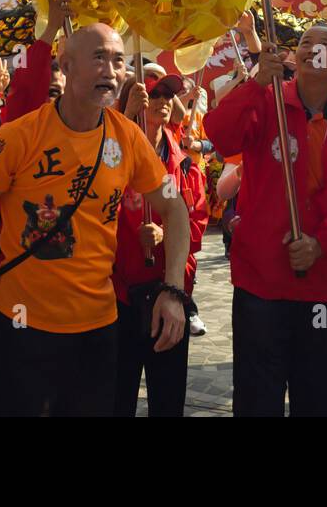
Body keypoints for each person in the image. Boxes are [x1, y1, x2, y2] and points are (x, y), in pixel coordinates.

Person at [0, 24, 190, 417]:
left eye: (118, 61)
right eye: (98, 58)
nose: (111, 71)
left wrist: (174, 289)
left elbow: (174, 207)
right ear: (66, 65)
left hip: (95, 330)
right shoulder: (19, 136)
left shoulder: (127, 138)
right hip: (18, 324)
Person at [204, 23, 327, 417]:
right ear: (293, 57)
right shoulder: (265, 101)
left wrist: (322, 243)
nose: (313, 49)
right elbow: (221, 136)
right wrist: (255, 83)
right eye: (305, 43)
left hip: (324, 288)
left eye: (325, 45)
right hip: (260, 284)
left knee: (316, 395)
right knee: (256, 396)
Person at [112, 73, 208, 417]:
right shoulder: (111, 152)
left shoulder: (182, 160)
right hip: (119, 296)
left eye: (168, 94)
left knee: (167, 400)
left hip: (168, 294)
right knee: (116, 397)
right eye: (153, 93)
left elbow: (197, 220)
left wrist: (167, 233)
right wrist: (123, 117)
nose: (162, 100)